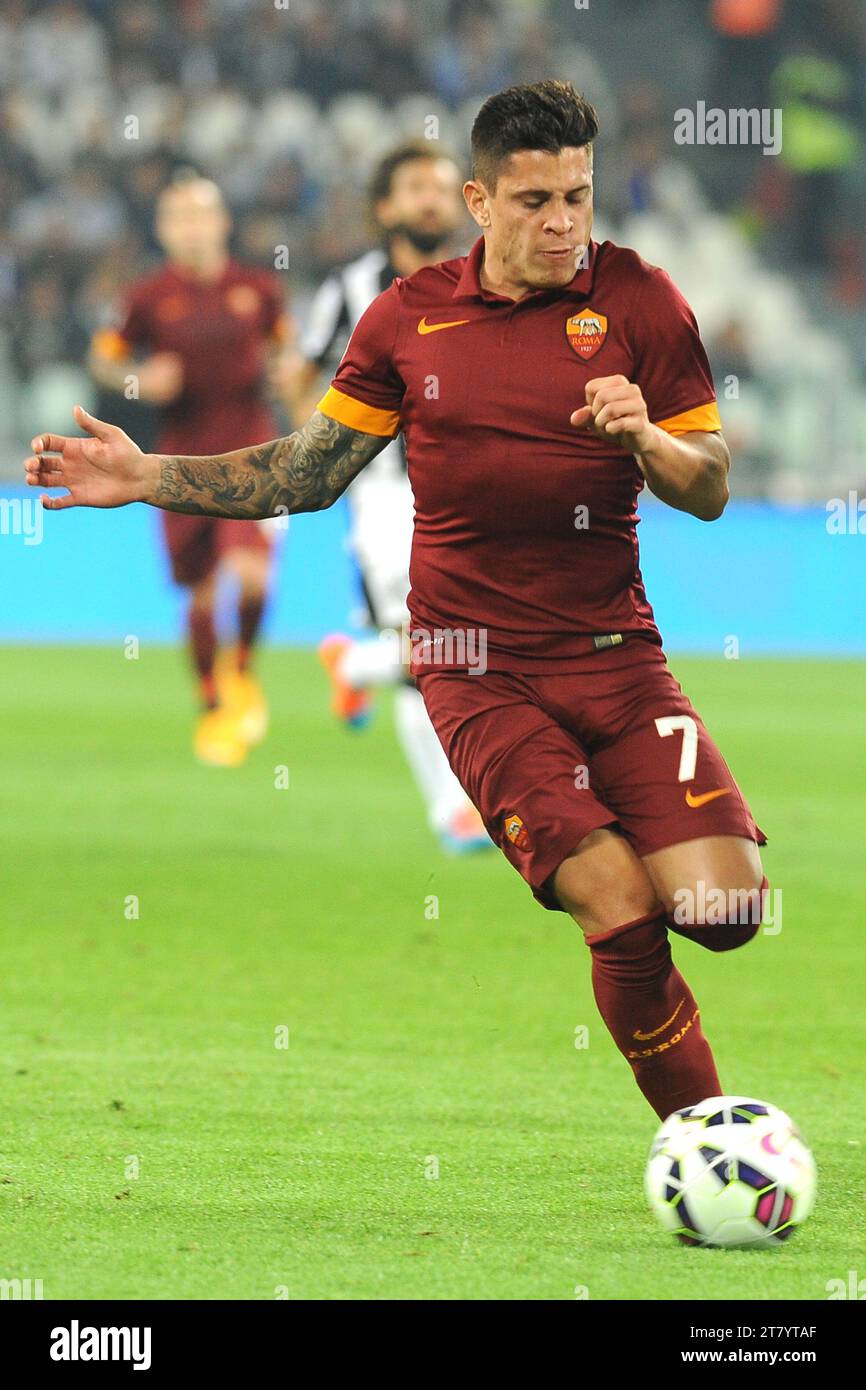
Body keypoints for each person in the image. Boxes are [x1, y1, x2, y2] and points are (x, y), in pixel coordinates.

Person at [27, 82, 768, 1119]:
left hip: (615, 655)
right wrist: (151, 474)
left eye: (577, 196)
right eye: (532, 201)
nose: (560, 223)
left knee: (727, 908)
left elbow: (711, 487)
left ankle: (632, 840)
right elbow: (306, 470)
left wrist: (648, 439)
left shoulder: (642, 301)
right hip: (474, 670)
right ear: (476, 199)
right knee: (617, 904)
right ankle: (703, 1138)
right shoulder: (408, 319)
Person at [285, 140, 490, 851]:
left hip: (465, 487)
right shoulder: (349, 288)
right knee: (428, 647)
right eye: (415, 186)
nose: (431, 197)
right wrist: (323, 446)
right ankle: (451, 812)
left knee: (464, 644)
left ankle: (351, 662)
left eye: (442, 185)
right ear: (385, 206)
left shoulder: (483, 281)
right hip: (383, 492)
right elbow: (300, 375)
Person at [90, 174, 293, 767]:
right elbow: (105, 358)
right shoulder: (148, 298)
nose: (192, 225)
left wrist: (290, 374)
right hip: (177, 460)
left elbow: (288, 351)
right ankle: (210, 700)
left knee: (252, 576)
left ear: (222, 221)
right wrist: (139, 380)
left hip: (253, 452)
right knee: (201, 595)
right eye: (178, 216)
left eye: (201, 213)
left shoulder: (257, 289)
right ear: (163, 229)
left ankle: (243, 670)